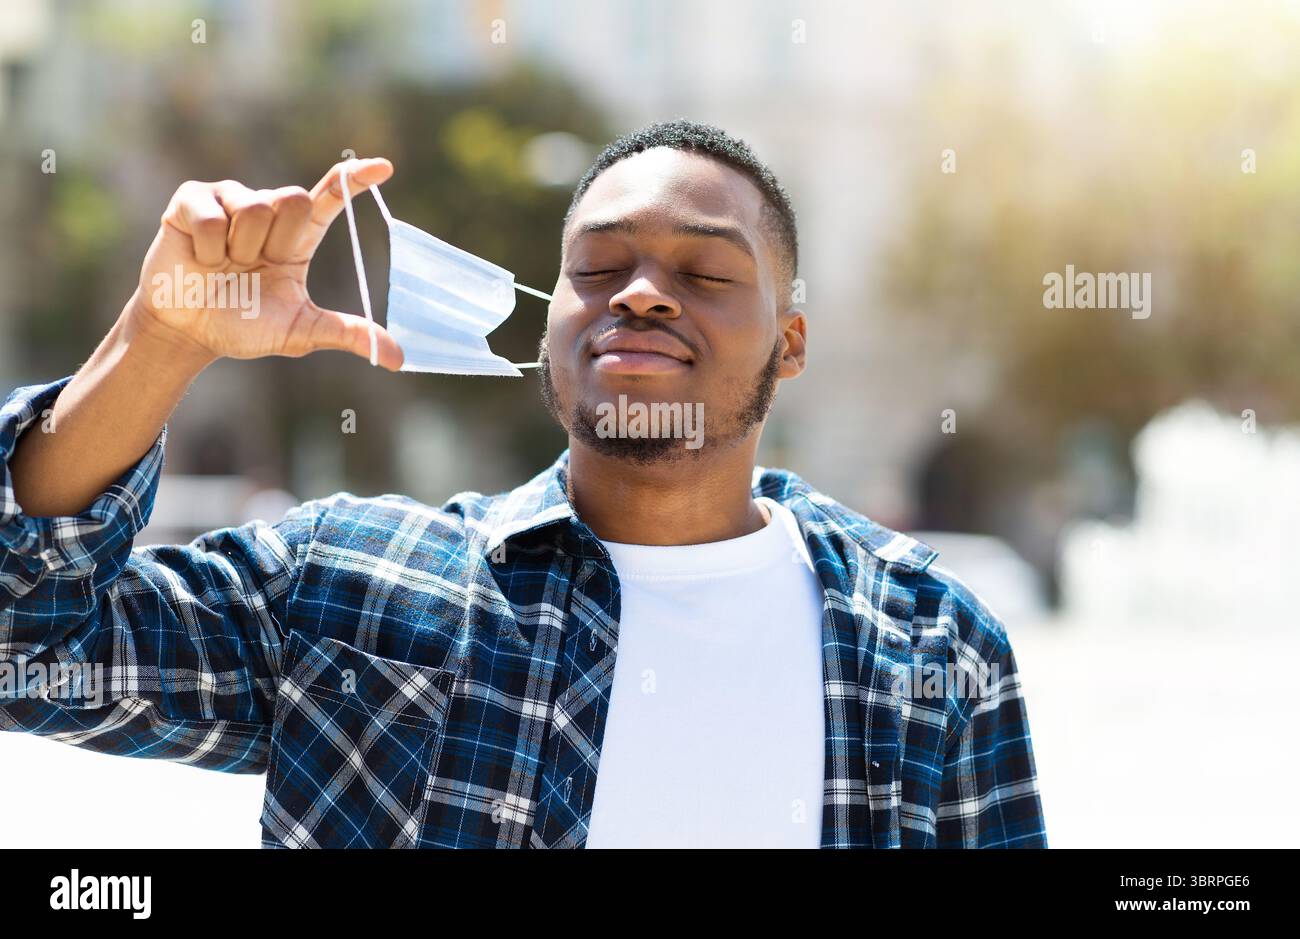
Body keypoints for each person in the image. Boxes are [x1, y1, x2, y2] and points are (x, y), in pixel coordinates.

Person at [0, 119, 1046, 848]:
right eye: (596, 268)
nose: (639, 295)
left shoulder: (929, 646)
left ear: (792, 341)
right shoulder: (351, 589)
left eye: (707, 273)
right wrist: (160, 342)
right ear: (549, 328)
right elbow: (22, 645)